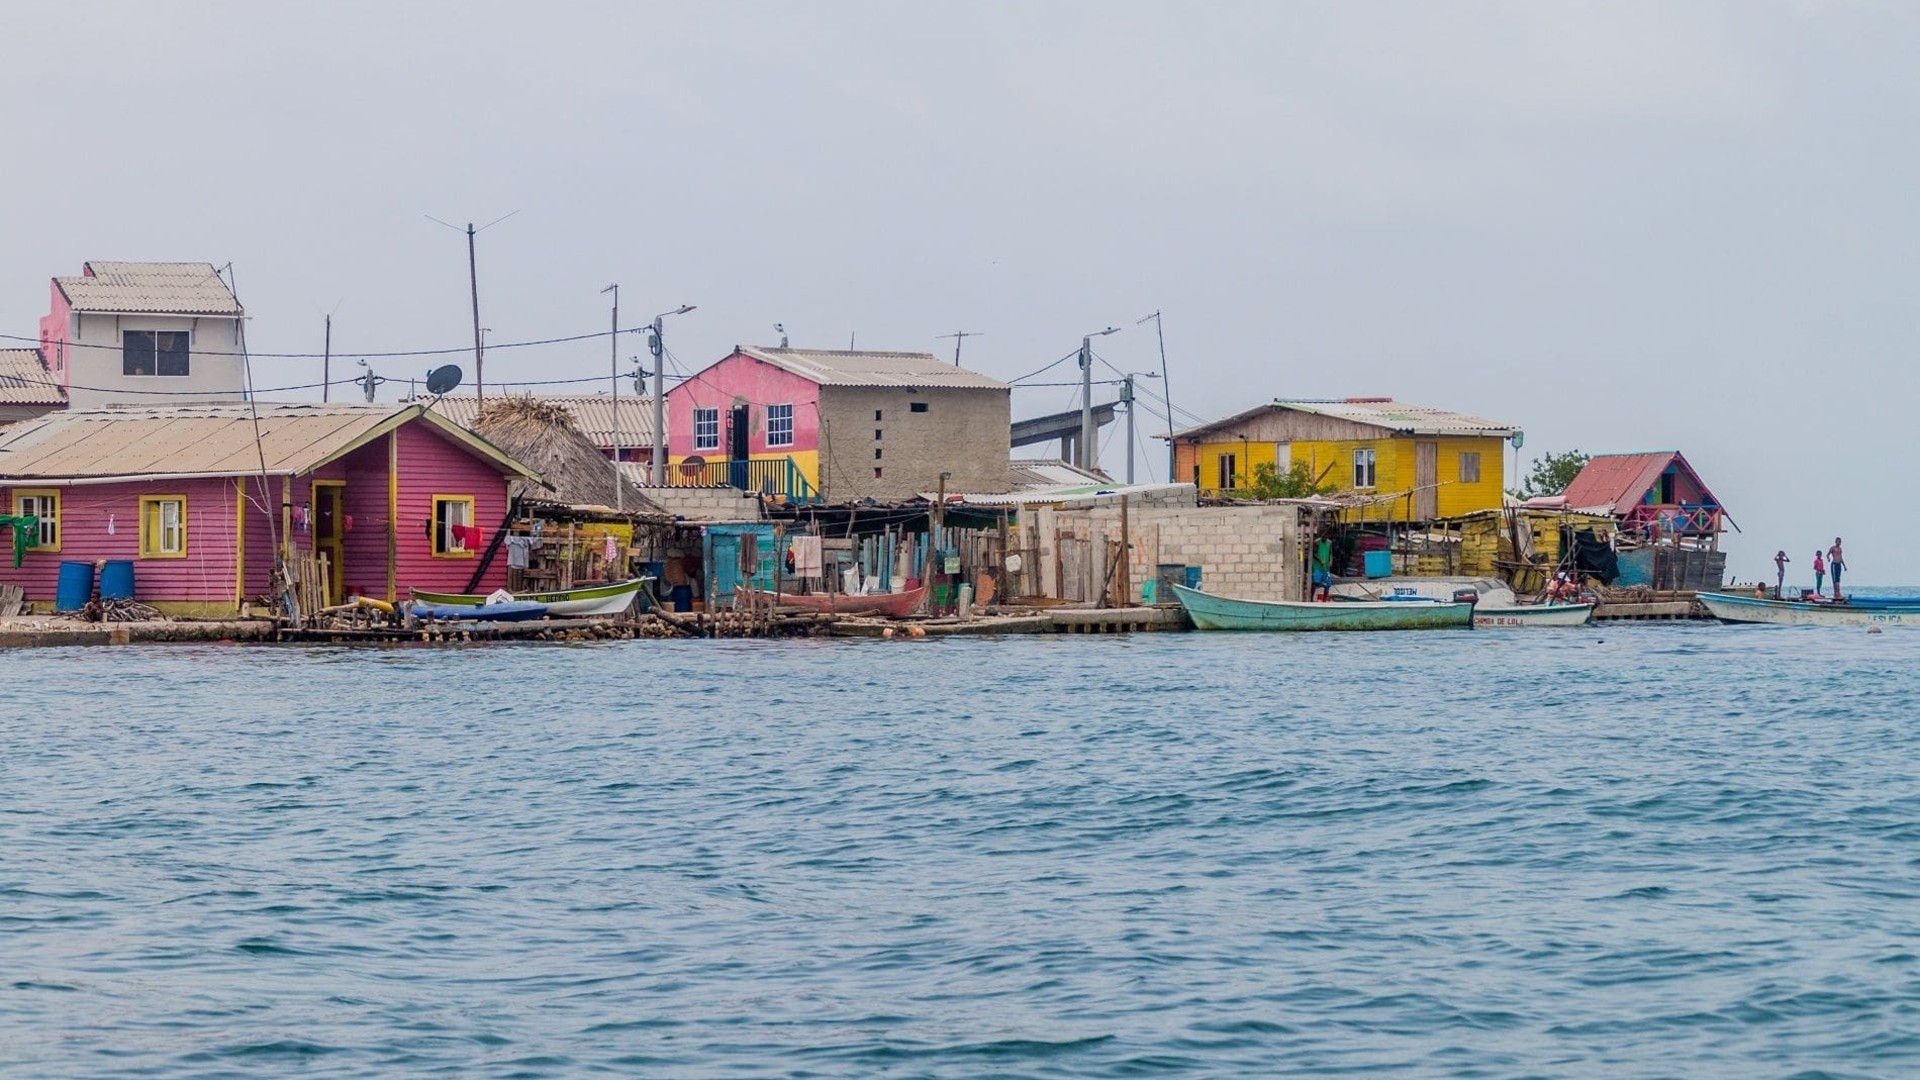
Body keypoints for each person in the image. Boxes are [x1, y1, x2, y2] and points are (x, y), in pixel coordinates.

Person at [1311, 536, 1334, 601]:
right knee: (1315, 583)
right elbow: (1313, 553)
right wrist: (1320, 560)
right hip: (1317, 567)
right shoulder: (1317, 542)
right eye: (1323, 537)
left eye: (1325, 537)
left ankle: (1324, 601)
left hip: (1326, 567)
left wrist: (1331, 561)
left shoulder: (1329, 543)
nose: (1324, 538)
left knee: (1327, 585)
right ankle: (1311, 599)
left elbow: (1331, 553)